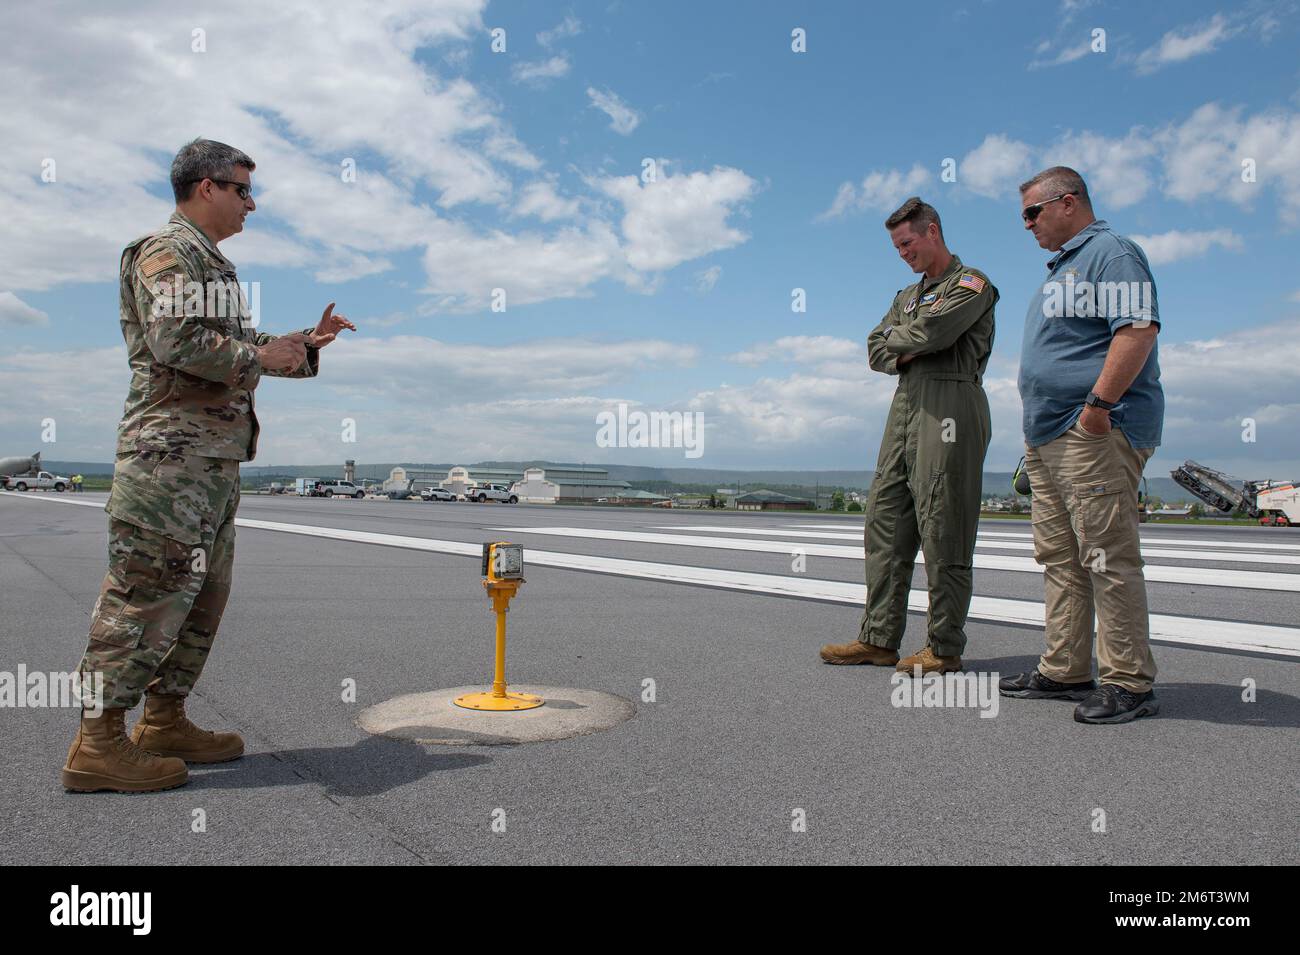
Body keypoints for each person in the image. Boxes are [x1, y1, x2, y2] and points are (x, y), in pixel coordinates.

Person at [62, 139, 356, 792]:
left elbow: (230, 342)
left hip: (209, 468)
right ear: (205, 188)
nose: (251, 203)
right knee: (143, 598)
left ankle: (164, 719)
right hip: (167, 467)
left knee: (199, 598)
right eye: (243, 190)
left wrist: (300, 346)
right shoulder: (167, 251)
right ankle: (97, 742)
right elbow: (176, 341)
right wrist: (262, 359)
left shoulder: (210, 264)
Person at [1000, 166, 1163, 724]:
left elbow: (1137, 329)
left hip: (1090, 429)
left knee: (1106, 555)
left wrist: (1096, 408)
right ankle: (1066, 668)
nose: (1026, 225)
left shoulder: (1111, 253)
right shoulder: (1064, 267)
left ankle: (1129, 683)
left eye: (1031, 213)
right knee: (1060, 557)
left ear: (1067, 203)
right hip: (1049, 436)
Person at [821, 198, 996, 675]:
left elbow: (932, 335)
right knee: (884, 522)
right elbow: (875, 347)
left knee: (944, 527)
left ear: (932, 232)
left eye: (907, 243)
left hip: (950, 407)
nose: (902, 253)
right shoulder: (906, 296)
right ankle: (878, 639)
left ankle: (943, 647)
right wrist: (905, 343)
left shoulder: (972, 285)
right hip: (905, 408)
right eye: (896, 246)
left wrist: (907, 341)